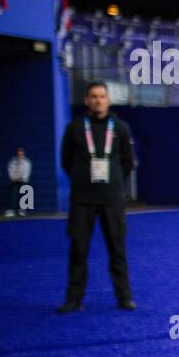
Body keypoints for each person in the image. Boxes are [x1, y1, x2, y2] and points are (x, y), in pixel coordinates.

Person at [58, 82, 137, 312]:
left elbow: (127, 162)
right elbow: (66, 160)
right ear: (86, 100)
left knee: (117, 249)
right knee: (78, 250)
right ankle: (74, 299)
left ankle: (124, 297)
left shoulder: (120, 128)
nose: (98, 100)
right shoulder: (74, 128)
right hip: (82, 200)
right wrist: (82, 179)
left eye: (102, 96)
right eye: (93, 96)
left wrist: (114, 183)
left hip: (112, 200)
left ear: (108, 100)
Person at [6, 146, 31, 216]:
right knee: (13, 195)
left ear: (23, 153)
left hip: (23, 181)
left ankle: (22, 210)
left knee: (24, 195)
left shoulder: (27, 162)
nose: (20, 154)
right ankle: (13, 210)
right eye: (19, 152)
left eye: (21, 152)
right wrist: (14, 178)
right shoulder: (12, 161)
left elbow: (27, 171)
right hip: (14, 181)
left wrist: (23, 178)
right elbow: (10, 170)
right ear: (17, 153)